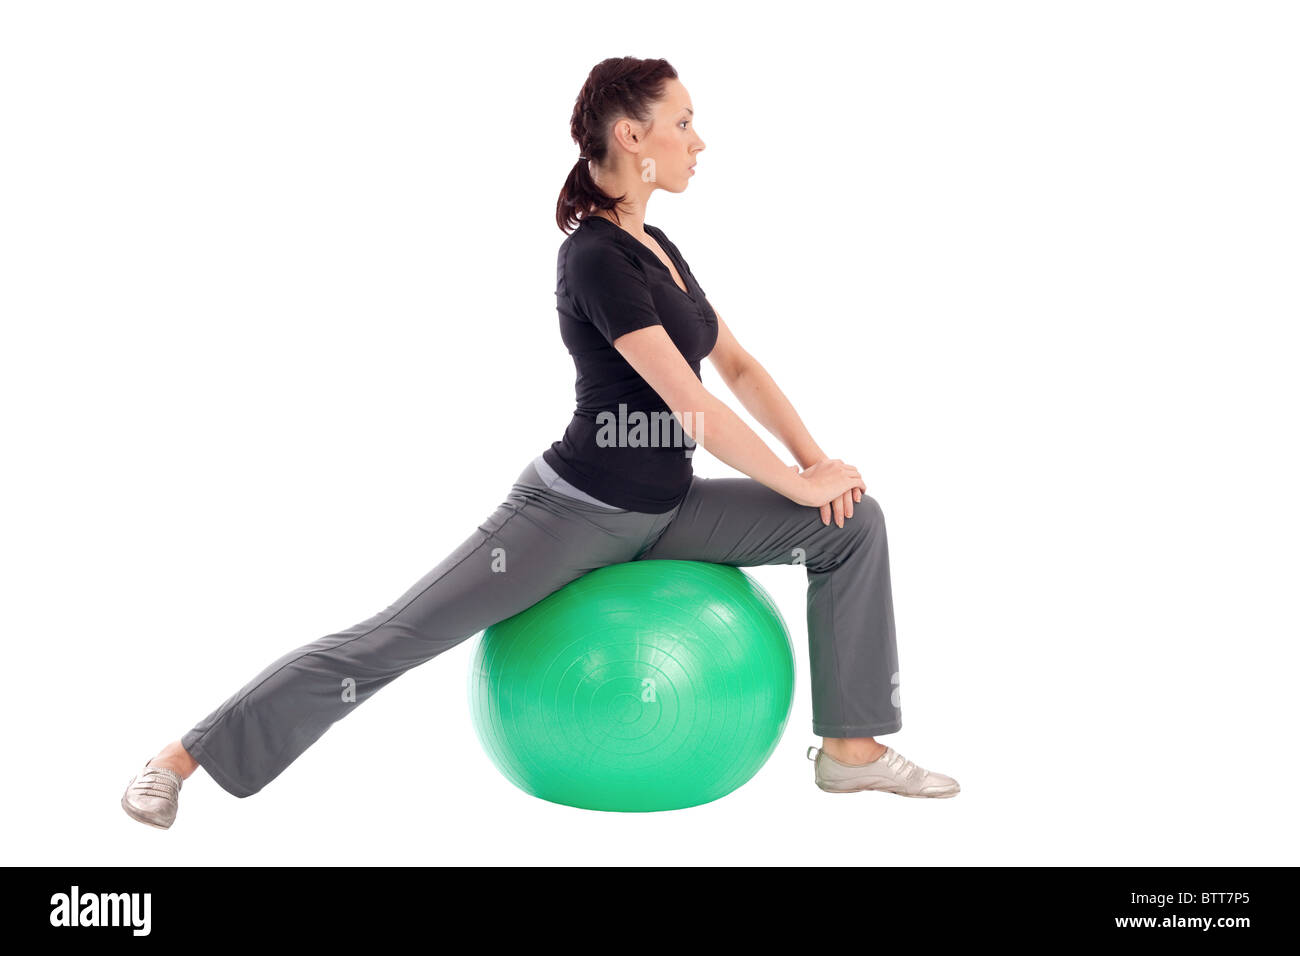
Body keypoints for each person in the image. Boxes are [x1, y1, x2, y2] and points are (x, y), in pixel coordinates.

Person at [122, 56, 958, 829]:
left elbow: (737, 365)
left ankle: (852, 753)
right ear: (632, 136)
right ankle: (181, 757)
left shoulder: (657, 247)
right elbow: (689, 403)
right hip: (573, 513)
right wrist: (792, 478)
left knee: (852, 522)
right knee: (394, 638)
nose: (699, 141)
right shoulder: (593, 258)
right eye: (684, 121)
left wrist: (813, 465)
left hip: (667, 508)